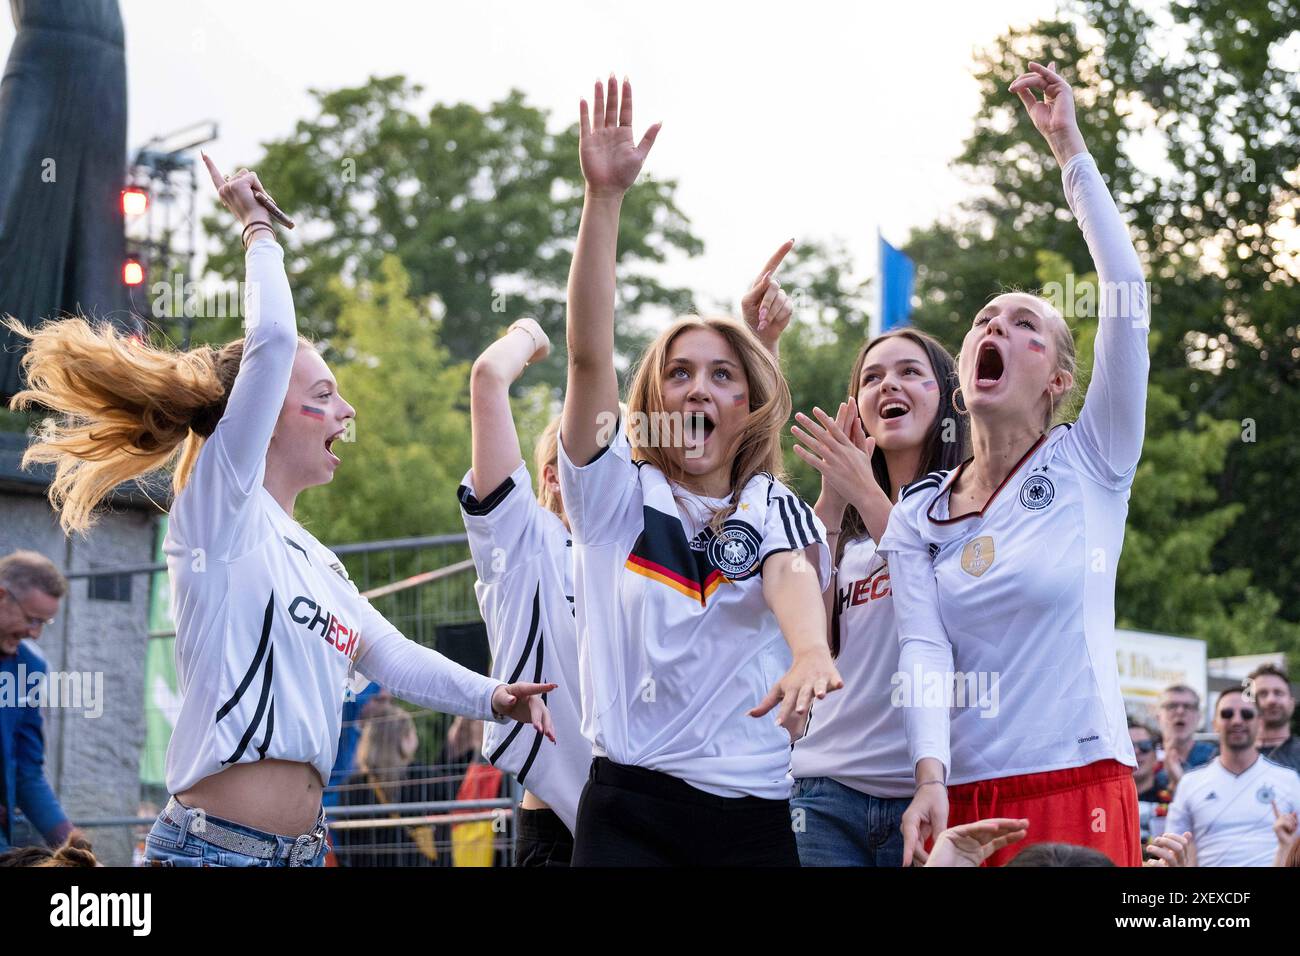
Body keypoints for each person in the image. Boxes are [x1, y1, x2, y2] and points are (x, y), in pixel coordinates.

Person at [6, 157, 554, 867]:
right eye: (324, 394)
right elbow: (272, 344)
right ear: (260, 416)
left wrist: (494, 696)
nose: (345, 410)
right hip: (211, 855)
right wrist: (257, 227)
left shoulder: (316, 560)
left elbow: (390, 654)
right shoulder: (221, 508)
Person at [560, 74, 840, 866]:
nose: (698, 387)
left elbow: (785, 571)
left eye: (723, 374)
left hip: (753, 817)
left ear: (748, 403)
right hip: (630, 810)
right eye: (679, 371)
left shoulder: (768, 501)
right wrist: (603, 198)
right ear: (652, 395)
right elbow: (587, 353)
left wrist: (812, 651)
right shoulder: (616, 492)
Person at [877, 61, 1148, 866]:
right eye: (983, 319)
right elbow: (923, 654)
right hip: (966, 797)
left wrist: (1069, 148)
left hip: (1083, 778)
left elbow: (1125, 286)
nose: (993, 325)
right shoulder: (919, 515)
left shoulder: (1094, 458)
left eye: (1023, 322)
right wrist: (930, 776)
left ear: (1059, 377)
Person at [787, 329, 966, 866]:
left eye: (911, 372)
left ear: (948, 399)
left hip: (927, 796)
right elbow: (809, 635)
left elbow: (937, 604)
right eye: (872, 377)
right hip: (823, 794)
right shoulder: (855, 532)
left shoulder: (970, 506)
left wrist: (864, 490)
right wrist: (832, 499)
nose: (890, 383)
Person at [459, 317, 590, 867]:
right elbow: (488, 376)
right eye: (586, 454)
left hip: (643, 823)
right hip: (559, 828)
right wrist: (531, 335)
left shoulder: (636, 558)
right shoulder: (524, 538)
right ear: (552, 475)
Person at [1166, 688, 1300, 867]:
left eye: (1246, 714)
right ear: (1215, 723)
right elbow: (1173, 849)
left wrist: (1287, 845)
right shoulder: (1189, 783)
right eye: (1227, 713)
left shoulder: (1289, 780)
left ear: (1259, 723)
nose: (1237, 721)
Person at [0, 550, 77, 852]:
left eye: (45, 623)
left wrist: (74, 846)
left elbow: (26, 772)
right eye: (32, 620)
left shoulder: (29, 667)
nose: (36, 634)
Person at [332, 696, 439, 867]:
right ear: (403, 740)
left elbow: (345, 842)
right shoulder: (418, 777)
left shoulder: (352, 785)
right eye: (411, 732)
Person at [1155, 684, 1217, 793]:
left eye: (1188, 706)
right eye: (1171, 706)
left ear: (1199, 717)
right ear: (1158, 716)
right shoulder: (1143, 755)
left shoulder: (1214, 758)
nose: (1180, 711)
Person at [1247, 664, 1299, 772]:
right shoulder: (1228, 755)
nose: (1271, 700)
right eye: (1262, 694)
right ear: (1248, 704)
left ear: (1292, 703)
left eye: (1278, 693)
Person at [1129, 719, 1170, 844]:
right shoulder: (1107, 799)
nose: (1136, 752)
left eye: (1144, 746)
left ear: (1156, 755)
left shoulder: (1174, 797)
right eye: (1129, 746)